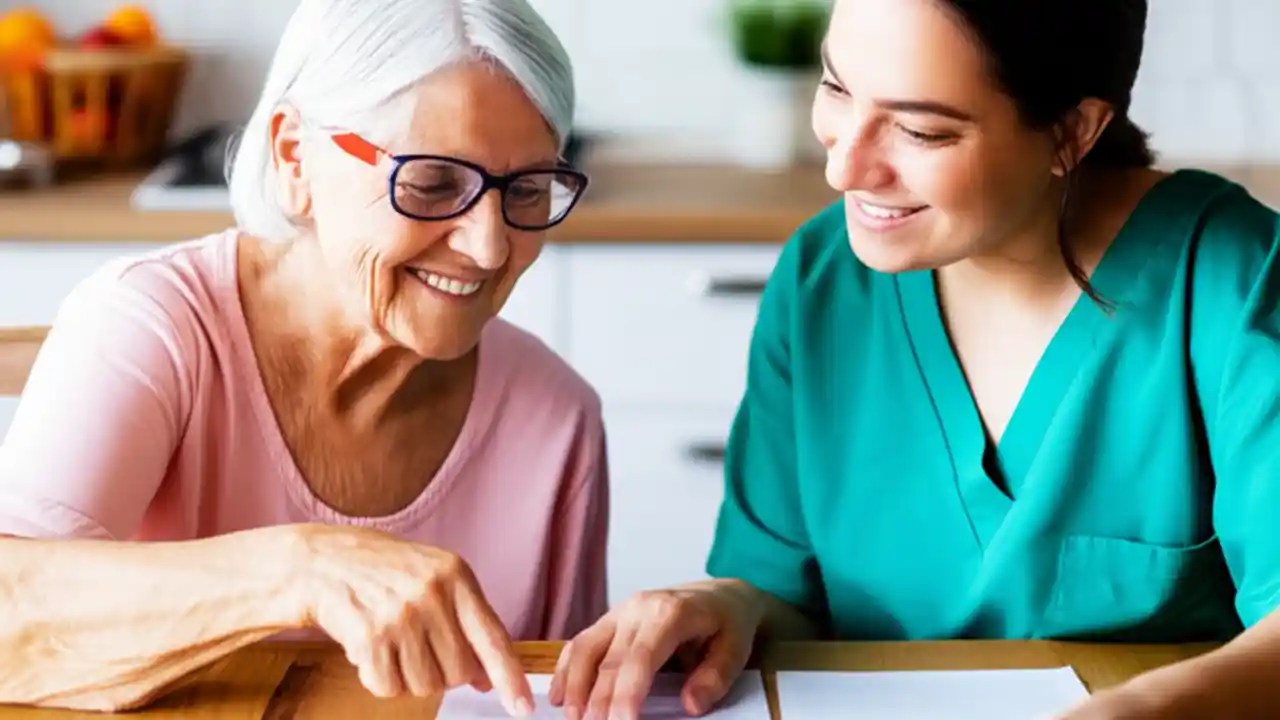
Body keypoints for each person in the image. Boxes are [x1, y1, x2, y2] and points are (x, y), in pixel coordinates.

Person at [552, 0, 1280, 718]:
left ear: (1073, 131)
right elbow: (787, 596)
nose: (844, 168)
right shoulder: (821, 279)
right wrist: (726, 606)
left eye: (920, 130)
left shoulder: (1233, 281)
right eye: (836, 88)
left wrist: (1143, 707)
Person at [0, 0, 605, 715]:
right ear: (295, 157)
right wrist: (299, 568)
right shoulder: (153, 325)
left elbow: (552, 701)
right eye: (434, 183)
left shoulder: (556, 416)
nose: (490, 248)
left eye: (527, 190)